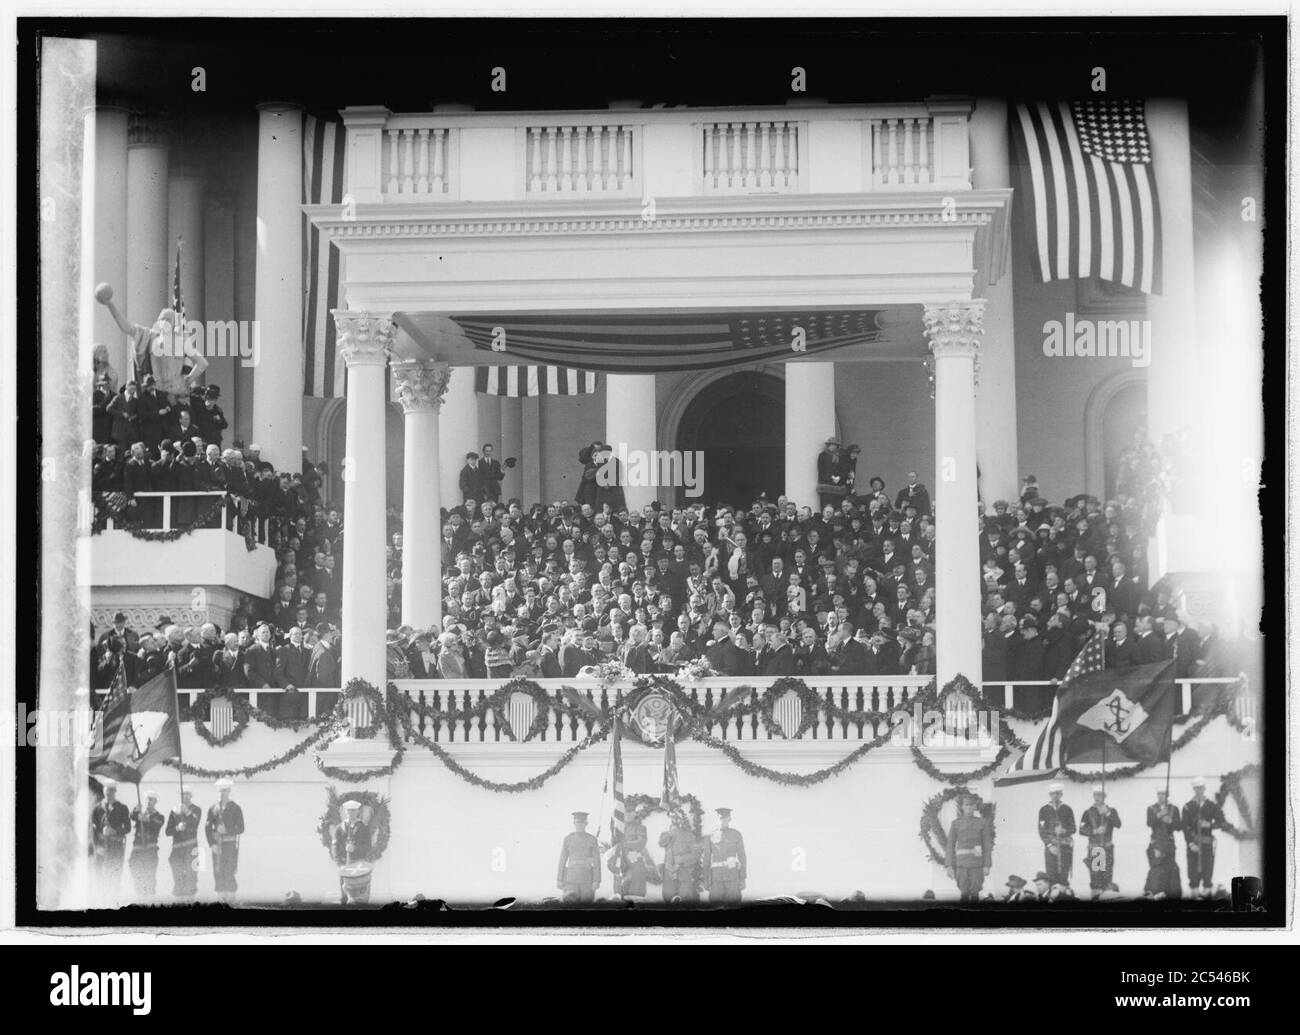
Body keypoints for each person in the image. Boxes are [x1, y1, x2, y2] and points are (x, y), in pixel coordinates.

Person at [945, 793, 992, 903]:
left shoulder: (982, 823)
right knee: (964, 893)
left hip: (977, 864)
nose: (969, 808)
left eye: (971, 805)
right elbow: (950, 846)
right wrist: (949, 865)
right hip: (961, 864)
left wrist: (987, 865)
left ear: (975, 807)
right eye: (966, 805)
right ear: (962, 807)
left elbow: (987, 846)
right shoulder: (956, 823)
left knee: (975, 893)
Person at [1182, 777, 1224, 899]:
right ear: (1193, 789)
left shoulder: (1212, 805)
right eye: (1197, 788)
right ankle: (1194, 902)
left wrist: (1209, 824)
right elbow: (1185, 827)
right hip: (1193, 845)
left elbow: (1221, 822)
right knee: (1193, 874)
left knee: (1207, 873)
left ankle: (1206, 901)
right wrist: (1190, 844)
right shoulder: (1188, 806)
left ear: (1204, 788)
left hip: (1206, 845)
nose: (1199, 790)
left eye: (1201, 787)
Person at [90, 778, 132, 901]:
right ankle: (102, 900)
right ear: (104, 791)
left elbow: (128, 828)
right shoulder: (97, 809)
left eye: (112, 791)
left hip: (116, 847)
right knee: (100, 875)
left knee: (114, 874)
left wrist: (115, 831)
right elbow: (93, 830)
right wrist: (97, 847)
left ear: (115, 792)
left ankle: (113, 900)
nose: (109, 793)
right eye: (107, 790)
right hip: (101, 848)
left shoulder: (122, 808)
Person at [1079, 785, 1122, 899]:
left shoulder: (1112, 811)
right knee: (1096, 879)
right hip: (1096, 849)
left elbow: (1118, 824)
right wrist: (1095, 831)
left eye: (1100, 795)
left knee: (1107, 878)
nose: (1097, 797)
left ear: (1105, 796)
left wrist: (1107, 813)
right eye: (1096, 795)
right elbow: (1082, 830)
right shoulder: (1088, 812)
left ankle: (1107, 899)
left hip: (1107, 848)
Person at [205, 778, 245, 900]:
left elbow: (241, 828)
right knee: (218, 872)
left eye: (224, 790)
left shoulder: (235, 808)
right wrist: (212, 844)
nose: (222, 793)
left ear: (229, 791)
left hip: (230, 845)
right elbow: (207, 828)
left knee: (229, 871)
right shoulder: (213, 808)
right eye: (220, 791)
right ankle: (220, 899)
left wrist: (227, 830)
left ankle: (231, 900)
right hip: (217, 845)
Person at [607, 808, 655, 900]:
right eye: (626, 812)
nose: (628, 815)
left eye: (631, 812)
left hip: (635, 864)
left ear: (635, 813)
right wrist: (613, 831)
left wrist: (625, 844)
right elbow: (614, 846)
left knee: (636, 895)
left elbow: (641, 842)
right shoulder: (618, 829)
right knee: (619, 895)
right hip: (620, 863)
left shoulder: (640, 828)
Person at [332, 799, 374, 904]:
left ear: (357, 812)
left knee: (360, 894)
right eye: (349, 811)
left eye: (353, 811)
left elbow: (368, 846)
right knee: (345, 893)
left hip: (358, 864)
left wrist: (355, 849)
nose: (351, 813)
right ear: (345, 812)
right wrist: (339, 862)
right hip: (344, 864)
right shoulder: (339, 828)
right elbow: (335, 846)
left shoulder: (363, 827)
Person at [702, 807, 747, 904]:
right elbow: (706, 859)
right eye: (720, 818)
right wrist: (705, 879)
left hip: (732, 878)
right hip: (716, 879)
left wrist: (742, 878)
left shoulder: (736, 834)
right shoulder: (711, 836)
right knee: (715, 905)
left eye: (725, 818)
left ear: (729, 819)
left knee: (733, 904)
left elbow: (742, 857)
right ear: (717, 819)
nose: (722, 821)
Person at [556, 811, 601, 903]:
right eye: (577, 823)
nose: (579, 825)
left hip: (587, 880)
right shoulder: (568, 839)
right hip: (570, 880)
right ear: (574, 823)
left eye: (582, 823)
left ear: (586, 824)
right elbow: (562, 860)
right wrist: (559, 879)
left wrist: (597, 880)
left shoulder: (592, 839)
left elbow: (597, 862)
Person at [128, 790, 165, 899]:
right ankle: (140, 894)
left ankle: (150, 898)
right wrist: (136, 809)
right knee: (135, 869)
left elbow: (156, 823)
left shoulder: (159, 816)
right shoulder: (139, 813)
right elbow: (132, 816)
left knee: (150, 874)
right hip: (138, 848)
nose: (148, 802)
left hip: (150, 849)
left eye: (151, 800)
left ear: (155, 802)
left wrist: (145, 818)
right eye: (147, 799)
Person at [165, 789, 202, 898]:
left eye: (187, 794)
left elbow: (195, 823)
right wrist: (177, 828)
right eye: (183, 794)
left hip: (191, 848)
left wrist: (187, 812)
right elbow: (168, 831)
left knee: (191, 878)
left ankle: (190, 902)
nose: (185, 796)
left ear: (191, 796)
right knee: (178, 878)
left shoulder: (196, 809)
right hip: (177, 849)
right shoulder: (174, 811)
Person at [1037, 782, 1075, 885]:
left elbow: (1073, 828)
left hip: (1064, 847)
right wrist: (1049, 845)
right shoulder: (1044, 810)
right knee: (1051, 877)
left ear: (1061, 794)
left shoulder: (1067, 809)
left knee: (1063, 877)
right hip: (1051, 847)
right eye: (1053, 793)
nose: (1055, 796)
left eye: (1058, 793)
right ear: (1049, 794)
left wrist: (1064, 831)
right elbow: (1041, 830)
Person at [658, 815, 702, 903]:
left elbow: (696, 855)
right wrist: (671, 833)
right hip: (669, 875)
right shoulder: (667, 834)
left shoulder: (689, 836)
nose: (676, 821)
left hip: (683, 874)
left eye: (678, 819)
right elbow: (661, 843)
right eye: (674, 818)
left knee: (685, 900)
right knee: (668, 899)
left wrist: (682, 859)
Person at [816, 438, 843, 510]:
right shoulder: (822, 455)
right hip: (826, 483)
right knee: (826, 504)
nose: (833, 447)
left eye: (835, 445)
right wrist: (831, 477)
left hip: (836, 484)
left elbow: (841, 468)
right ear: (828, 445)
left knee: (836, 505)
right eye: (832, 445)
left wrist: (839, 477)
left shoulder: (838, 456)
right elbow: (821, 469)